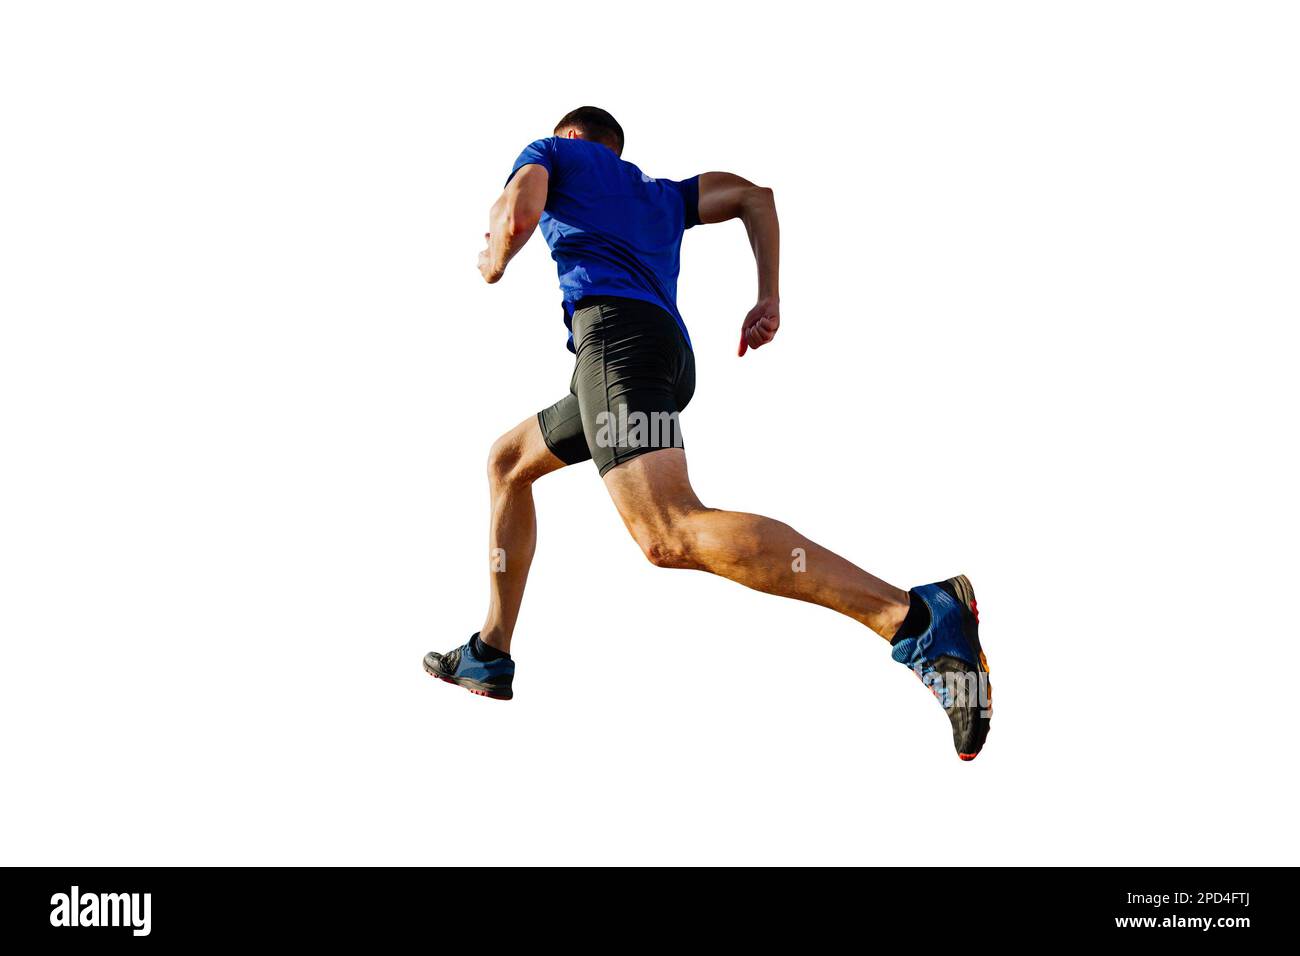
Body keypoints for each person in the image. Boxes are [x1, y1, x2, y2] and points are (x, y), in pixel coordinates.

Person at [423, 107, 992, 759]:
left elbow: (517, 208)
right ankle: (490, 651)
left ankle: (914, 618)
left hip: (616, 349)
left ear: (573, 136)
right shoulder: (661, 195)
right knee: (507, 462)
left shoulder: (555, 150)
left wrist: (498, 246)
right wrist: (768, 294)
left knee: (667, 531)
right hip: (658, 357)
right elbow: (756, 196)